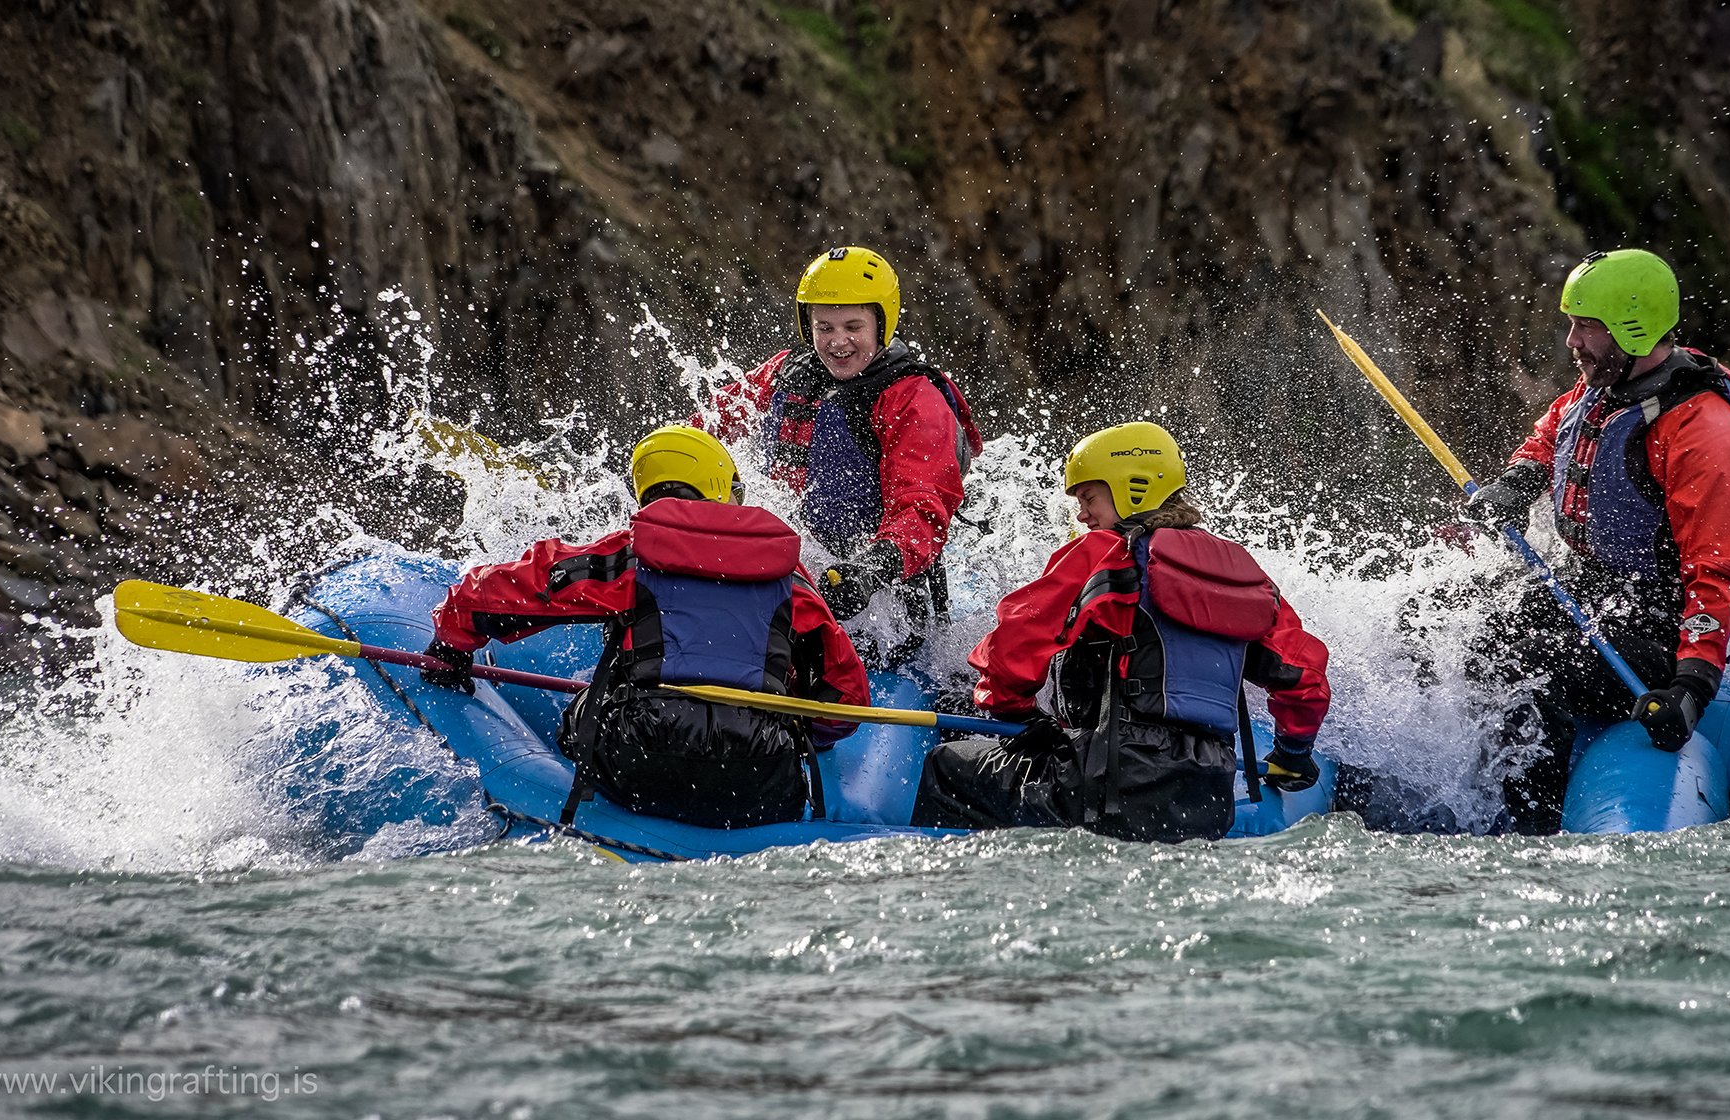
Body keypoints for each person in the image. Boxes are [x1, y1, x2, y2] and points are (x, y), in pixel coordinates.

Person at [1463, 248, 1730, 834]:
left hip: (1659, 629)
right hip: (1594, 595)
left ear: (1632, 328)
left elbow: (1718, 570)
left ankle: (1525, 833)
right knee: (1443, 617)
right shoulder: (1607, 384)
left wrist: (1691, 688)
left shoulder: (1700, 432)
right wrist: (1515, 482)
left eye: (1586, 326)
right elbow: (1555, 430)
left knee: (1520, 663)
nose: (1571, 340)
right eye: (1571, 323)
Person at [422, 425, 871, 829]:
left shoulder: (633, 556)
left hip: (639, 761)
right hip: (759, 779)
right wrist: (801, 732)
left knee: (586, 703)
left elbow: (506, 591)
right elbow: (845, 696)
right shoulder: (789, 578)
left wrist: (451, 645)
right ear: (727, 489)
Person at [910, 422, 1334, 843]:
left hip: (1107, 788)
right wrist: (1293, 755)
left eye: (1089, 497)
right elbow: (1306, 678)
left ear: (1132, 487)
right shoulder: (1245, 575)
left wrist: (1016, 713)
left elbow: (1014, 642)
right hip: (1208, 798)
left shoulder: (1105, 553)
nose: (1081, 514)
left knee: (948, 766)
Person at [695, 246, 983, 641]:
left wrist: (870, 571)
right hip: (804, 572)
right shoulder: (786, 371)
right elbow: (712, 424)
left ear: (882, 325)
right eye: (824, 327)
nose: (838, 342)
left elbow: (923, 507)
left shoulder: (914, 399)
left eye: (853, 326)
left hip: (891, 595)